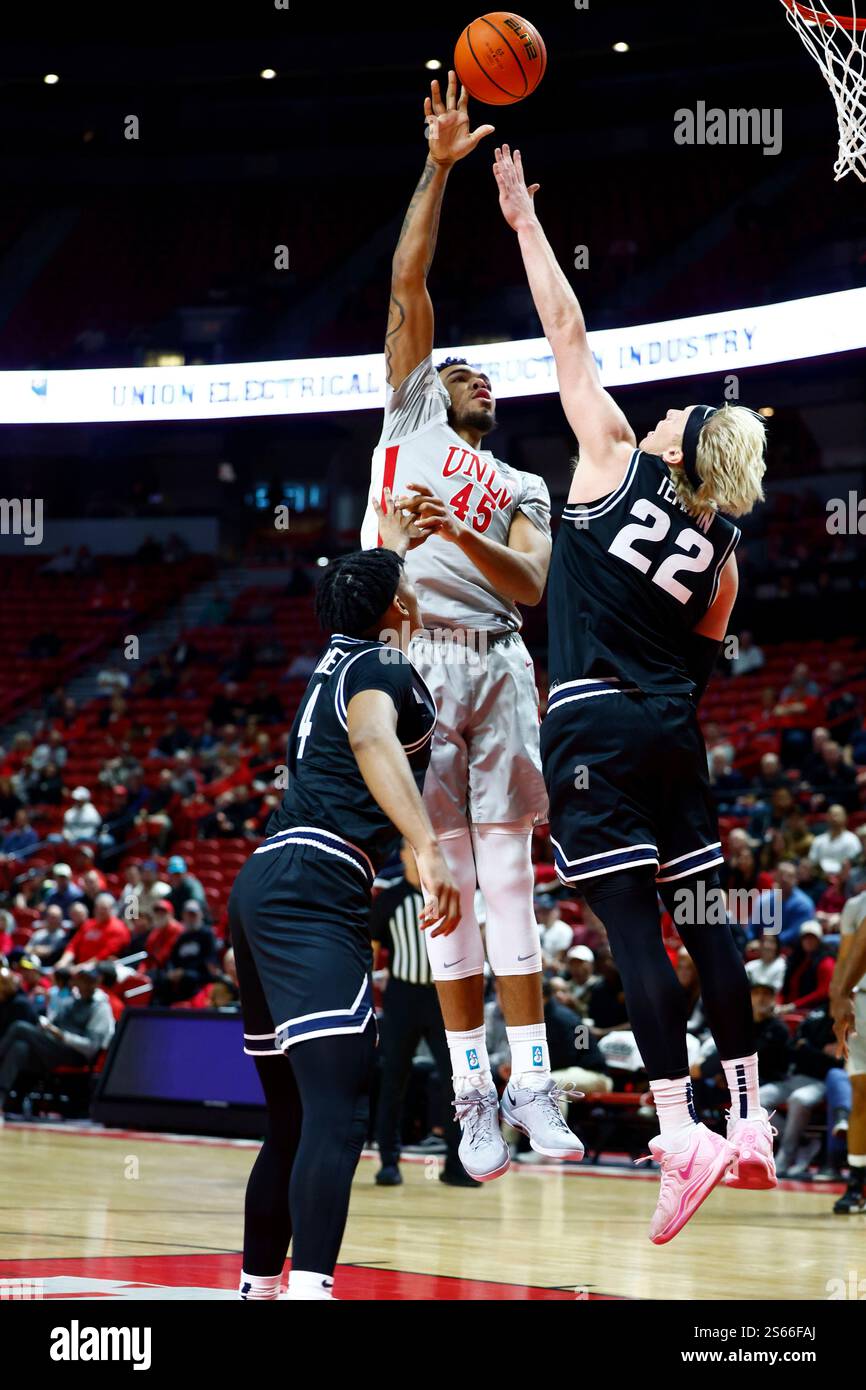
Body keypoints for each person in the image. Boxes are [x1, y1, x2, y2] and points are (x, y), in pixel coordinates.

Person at [492, 142, 773, 1243]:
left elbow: (564, 332)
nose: (655, 414)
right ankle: (744, 1120)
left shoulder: (608, 453)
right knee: (704, 922)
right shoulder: (726, 554)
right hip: (671, 733)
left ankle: (677, 1131)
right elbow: (702, 661)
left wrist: (522, 221)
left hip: (593, 725)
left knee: (626, 928)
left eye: (674, 415)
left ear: (681, 444)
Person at [360, 72, 582, 1177]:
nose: (471, 373)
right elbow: (408, 279)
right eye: (458, 366)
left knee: (506, 881)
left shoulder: (523, 486)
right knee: (441, 886)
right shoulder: (405, 414)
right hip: (408, 664)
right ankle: (467, 1094)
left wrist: (463, 525)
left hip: (495, 663)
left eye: (485, 373)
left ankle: (531, 1081)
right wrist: (438, 168)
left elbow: (536, 587)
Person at [228, 496, 460, 1302]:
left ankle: (260, 1289)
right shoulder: (383, 667)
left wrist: (390, 543)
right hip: (316, 882)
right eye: (406, 583)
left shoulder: (341, 649)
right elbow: (368, 738)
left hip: (265, 881)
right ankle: (313, 1290)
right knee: (337, 1109)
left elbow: (363, 591)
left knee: (291, 1119)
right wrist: (426, 843)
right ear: (397, 603)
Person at [371, 840, 475, 1189]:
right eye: (408, 850)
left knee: (456, 1080)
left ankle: (456, 1165)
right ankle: (388, 1162)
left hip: (443, 997)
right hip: (402, 995)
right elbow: (371, 949)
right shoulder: (389, 898)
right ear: (401, 856)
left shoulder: (446, 893)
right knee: (393, 1080)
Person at [0, 966, 114, 1123]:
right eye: (80, 979)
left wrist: (63, 1036)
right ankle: (2, 1102)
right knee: (20, 1048)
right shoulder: (70, 1002)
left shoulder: (101, 1008)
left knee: (20, 1027)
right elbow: (54, 1025)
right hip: (54, 1049)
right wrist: (47, 1028)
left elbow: (91, 1047)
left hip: (75, 1055)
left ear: (96, 983)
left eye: (87, 980)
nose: (82, 984)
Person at [829, 882, 866, 1213]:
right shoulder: (856, 905)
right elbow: (845, 957)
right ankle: (857, 1183)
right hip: (861, 1002)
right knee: (860, 1094)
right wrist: (837, 999)